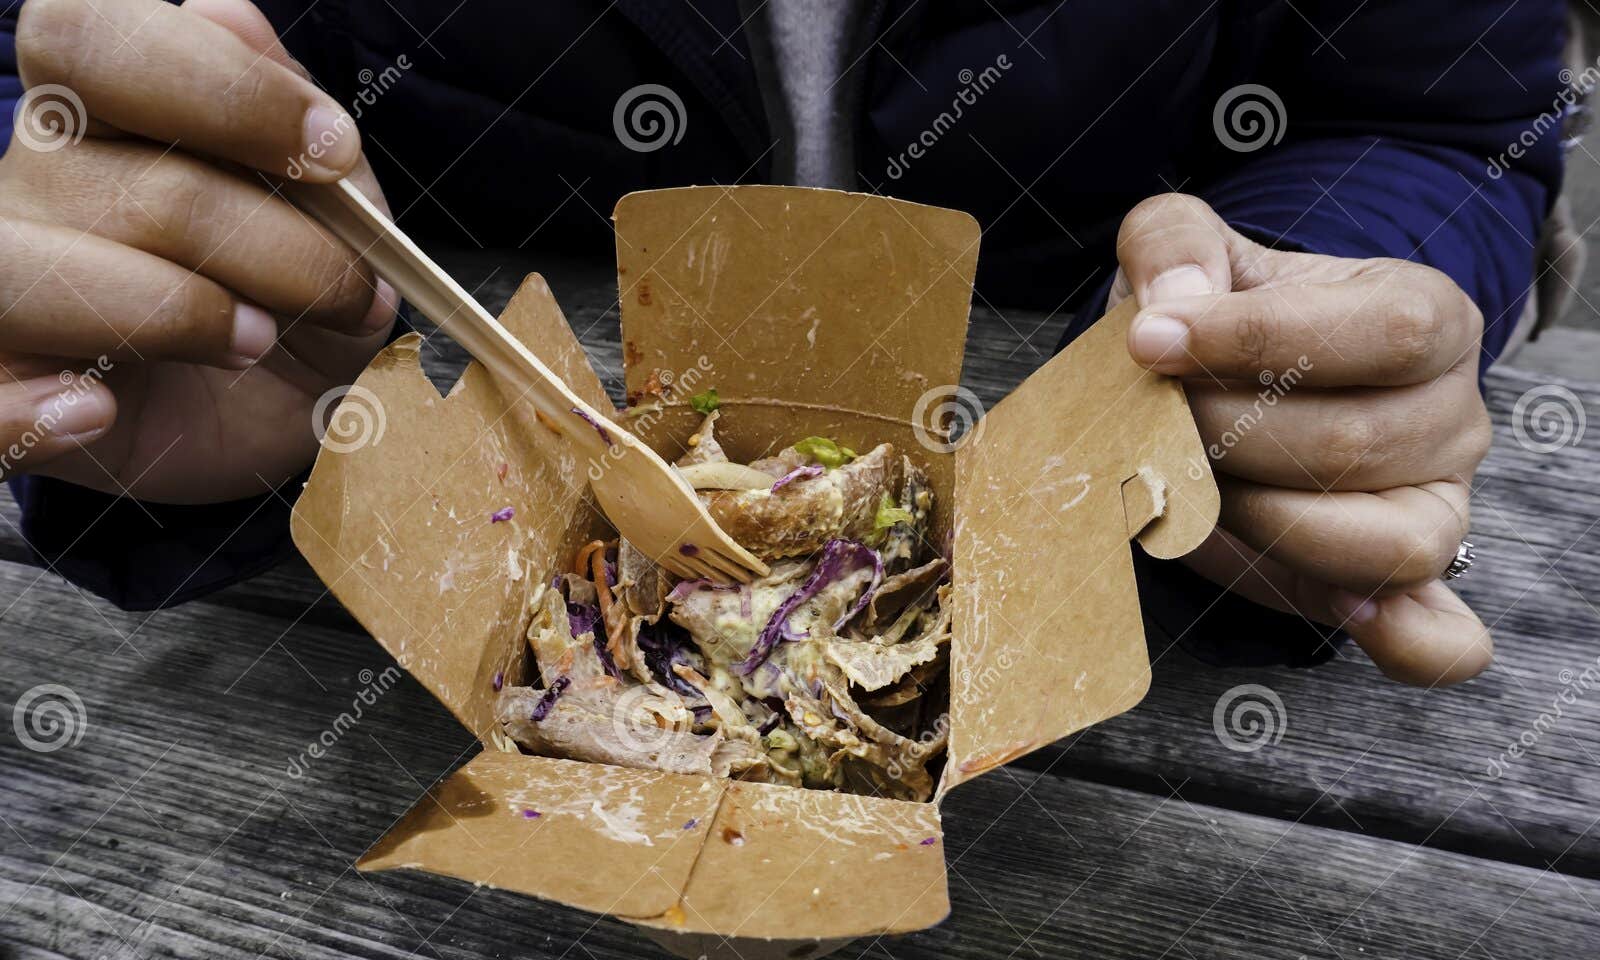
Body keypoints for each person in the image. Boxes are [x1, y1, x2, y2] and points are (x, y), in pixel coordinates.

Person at [0, 0, 1570, 686]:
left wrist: (1316, 304)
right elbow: (60, 69)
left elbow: (1431, 116)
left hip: (1126, 633)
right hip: (389, 626)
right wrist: (103, 232)